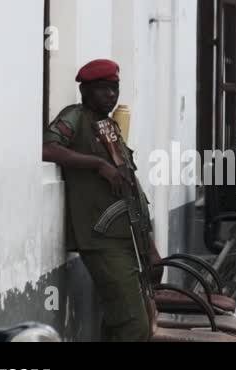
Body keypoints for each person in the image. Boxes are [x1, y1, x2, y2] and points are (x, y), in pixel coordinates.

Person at [43, 59, 162, 342]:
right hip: (102, 239)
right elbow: (48, 148)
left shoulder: (109, 127)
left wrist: (151, 247)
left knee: (123, 321)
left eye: (115, 88)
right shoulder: (76, 117)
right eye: (103, 89)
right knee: (135, 326)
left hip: (130, 237)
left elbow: (130, 187)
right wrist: (97, 164)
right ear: (85, 91)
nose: (111, 95)